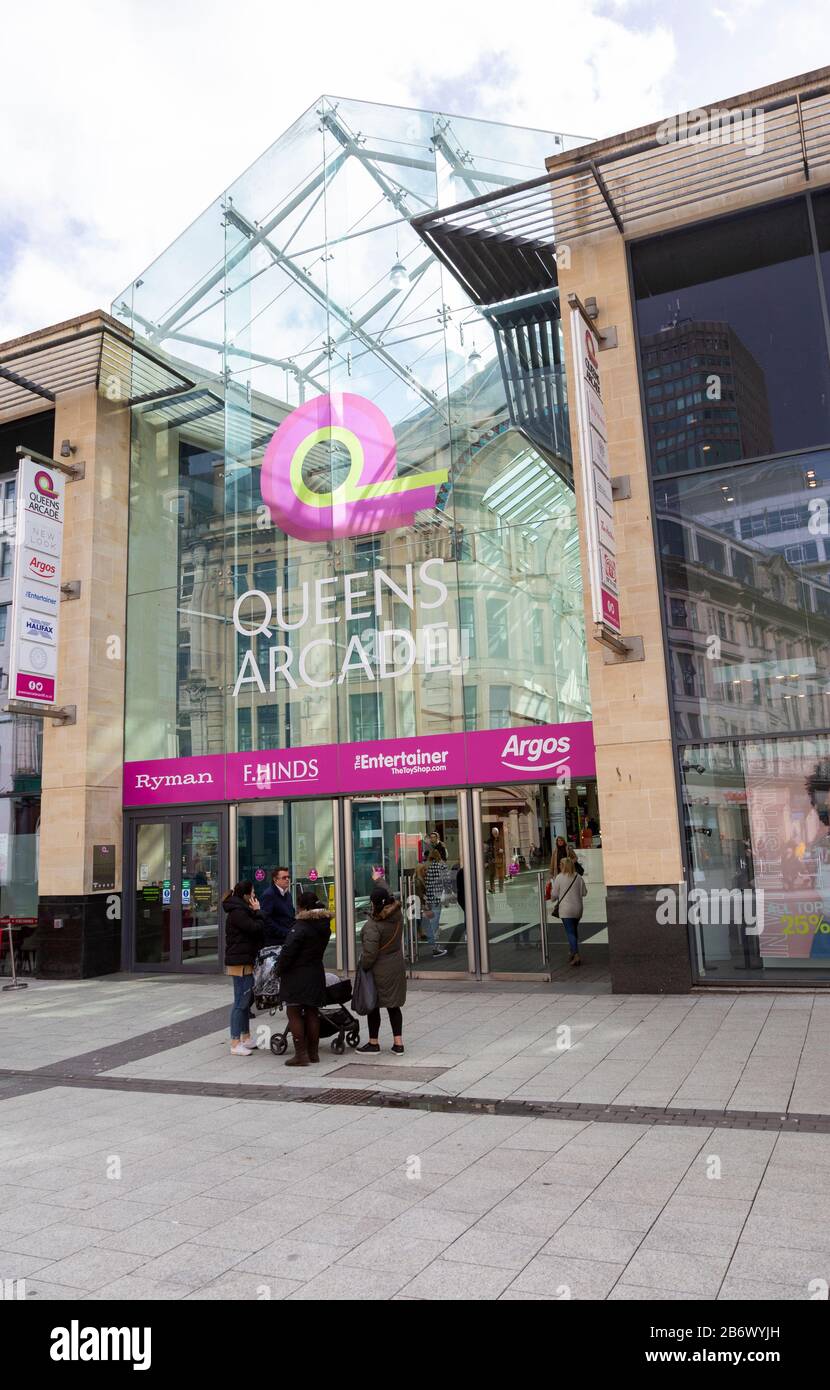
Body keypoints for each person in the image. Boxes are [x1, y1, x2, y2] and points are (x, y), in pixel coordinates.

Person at [275, 890, 332, 1066]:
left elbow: (288, 951)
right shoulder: (324, 925)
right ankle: (313, 1053)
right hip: (315, 971)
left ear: (303, 907)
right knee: (312, 1012)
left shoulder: (301, 926)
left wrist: (279, 969)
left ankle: (301, 1054)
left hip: (297, 974)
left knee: (293, 1012)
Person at [357, 888, 406, 1054]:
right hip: (396, 967)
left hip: (379, 970)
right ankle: (398, 1043)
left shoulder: (373, 925)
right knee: (394, 1006)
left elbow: (370, 954)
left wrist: (363, 965)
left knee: (374, 1006)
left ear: (373, 903)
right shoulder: (398, 916)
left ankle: (373, 1042)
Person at [222, 881, 265, 1055]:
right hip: (240, 962)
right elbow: (254, 929)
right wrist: (258, 912)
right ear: (246, 894)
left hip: (245, 959)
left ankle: (245, 1037)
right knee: (241, 1002)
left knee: (245, 1002)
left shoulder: (240, 910)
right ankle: (235, 1042)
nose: (254, 895)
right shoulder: (238, 912)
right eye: (253, 892)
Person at [550, 856, 588, 966]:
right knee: (574, 930)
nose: (559, 866)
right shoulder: (578, 877)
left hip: (566, 909)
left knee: (570, 932)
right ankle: (572, 951)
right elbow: (584, 893)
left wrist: (551, 897)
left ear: (563, 866)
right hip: (577, 909)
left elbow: (554, 895)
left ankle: (576, 955)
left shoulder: (559, 877)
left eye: (560, 865)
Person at [260, 866, 295, 946]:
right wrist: (283, 932)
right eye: (284, 877)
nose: (287, 880)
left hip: (287, 938)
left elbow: (290, 915)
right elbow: (266, 919)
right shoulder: (269, 895)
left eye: (288, 877)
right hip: (275, 941)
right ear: (275, 880)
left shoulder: (288, 894)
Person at [423, 847, 448, 958]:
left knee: (431, 922)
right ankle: (435, 948)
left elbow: (427, 884)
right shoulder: (441, 866)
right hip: (438, 897)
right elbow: (447, 881)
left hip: (430, 897)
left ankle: (433, 945)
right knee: (435, 923)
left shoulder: (427, 867)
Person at [486, 825, 506, 893]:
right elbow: (487, 850)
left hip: (499, 859)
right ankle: (492, 889)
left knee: (500, 875)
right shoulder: (490, 840)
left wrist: (502, 850)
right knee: (491, 875)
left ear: (497, 833)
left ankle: (501, 889)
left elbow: (503, 849)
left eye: (495, 833)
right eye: (493, 833)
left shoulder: (501, 839)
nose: (494, 834)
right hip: (492, 860)